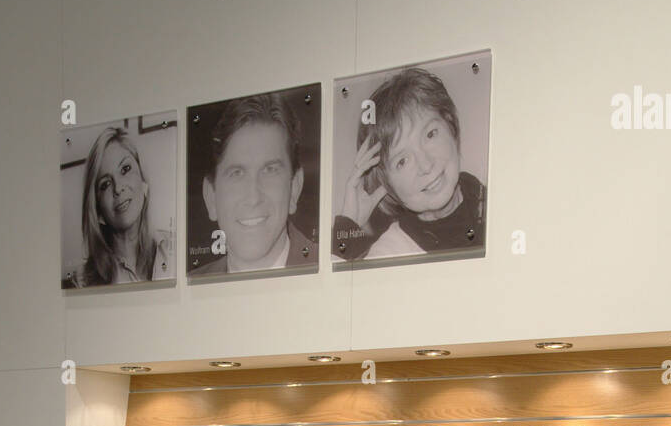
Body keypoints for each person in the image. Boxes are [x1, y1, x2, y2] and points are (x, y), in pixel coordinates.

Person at [333, 66, 486, 262]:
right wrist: (347, 229)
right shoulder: (387, 255)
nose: (425, 165)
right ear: (387, 186)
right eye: (402, 161)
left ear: (451, 126)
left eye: (430, 134)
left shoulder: (499, 202)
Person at [198, 92, 318, 274]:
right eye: (237, 173)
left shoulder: (340, 276)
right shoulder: (189, 286)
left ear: (295, 188)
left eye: (270, 170)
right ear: (210, 197)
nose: (253, 197)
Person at [63, 126, 174, 287]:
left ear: (142, 178)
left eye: (125, 169)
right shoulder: (83, 281)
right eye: (105, 184)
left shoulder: (176, 248)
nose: (117, 188)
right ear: (97, 207)